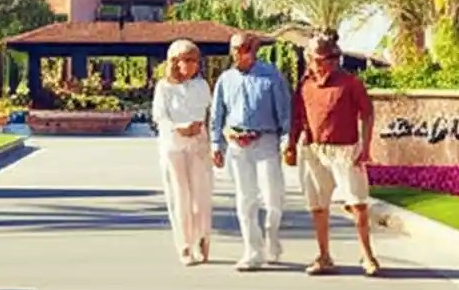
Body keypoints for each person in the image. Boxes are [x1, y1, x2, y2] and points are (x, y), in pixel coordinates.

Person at [284, 31, 380, 277]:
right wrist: (291, 145)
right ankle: (324, 255)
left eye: (326, 59)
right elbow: (297, 117)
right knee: (317, 205)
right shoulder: (305, 85)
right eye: (316, 59)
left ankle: (368, 255)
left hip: (345, 149)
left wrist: (365, 147)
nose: (321, 64)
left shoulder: (351, 83)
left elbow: (367, 114)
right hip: (314, 149)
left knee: (357, 203)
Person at [210, 32, 292, 271]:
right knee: (245, 199)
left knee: (273, 196)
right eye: (234, 48)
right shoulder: (225, 80)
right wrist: (217, 145)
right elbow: (217, 115)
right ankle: (252, 250)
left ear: (254, 49)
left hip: (265, 140)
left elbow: (285, 112)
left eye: (243, 48)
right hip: (237, 144)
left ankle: (271, 232)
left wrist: (286, 141)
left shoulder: (271, 76)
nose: (238, 53)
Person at [152, 39, 214, 266]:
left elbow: (207, 112)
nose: (188, 65)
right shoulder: (164, 87)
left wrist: (198, 127)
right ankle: (184, 245)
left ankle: (202, 239)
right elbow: (160, 116)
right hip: (173, 146)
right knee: (180, 197)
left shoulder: (201, 86)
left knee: (201, 196)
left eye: (192, 61)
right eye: (183, 60)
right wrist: (179, 128)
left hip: (197, 145)